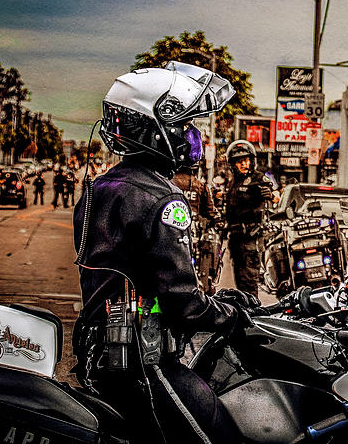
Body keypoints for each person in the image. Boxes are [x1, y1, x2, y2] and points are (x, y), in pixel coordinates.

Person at [72, 61, 248, 443]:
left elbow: (136, 276)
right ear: (156, 128)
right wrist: (233, 317)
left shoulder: (98, 190)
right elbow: (182, 303)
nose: (191, 137)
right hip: (144, 362)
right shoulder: (163, 198)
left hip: (97, 355)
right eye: (184, 126)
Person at [222, 140, 277, 297]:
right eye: (240, 162)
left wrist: (271, 195)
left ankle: (252, 316)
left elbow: (275, 194)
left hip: (251, 238)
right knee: (240, 282)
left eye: (246, 160)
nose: (244, 164)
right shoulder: (233, 182)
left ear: (252, 161)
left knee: (249, 283)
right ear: (233, 164)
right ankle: (244, 314)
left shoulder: (258, 178)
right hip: (236, 239)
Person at [172, 166, 223, 295]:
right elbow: (211, 212)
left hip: (171, 238)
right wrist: (218, 221)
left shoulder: (166, 183)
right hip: (194, 238)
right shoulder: (199, 185)